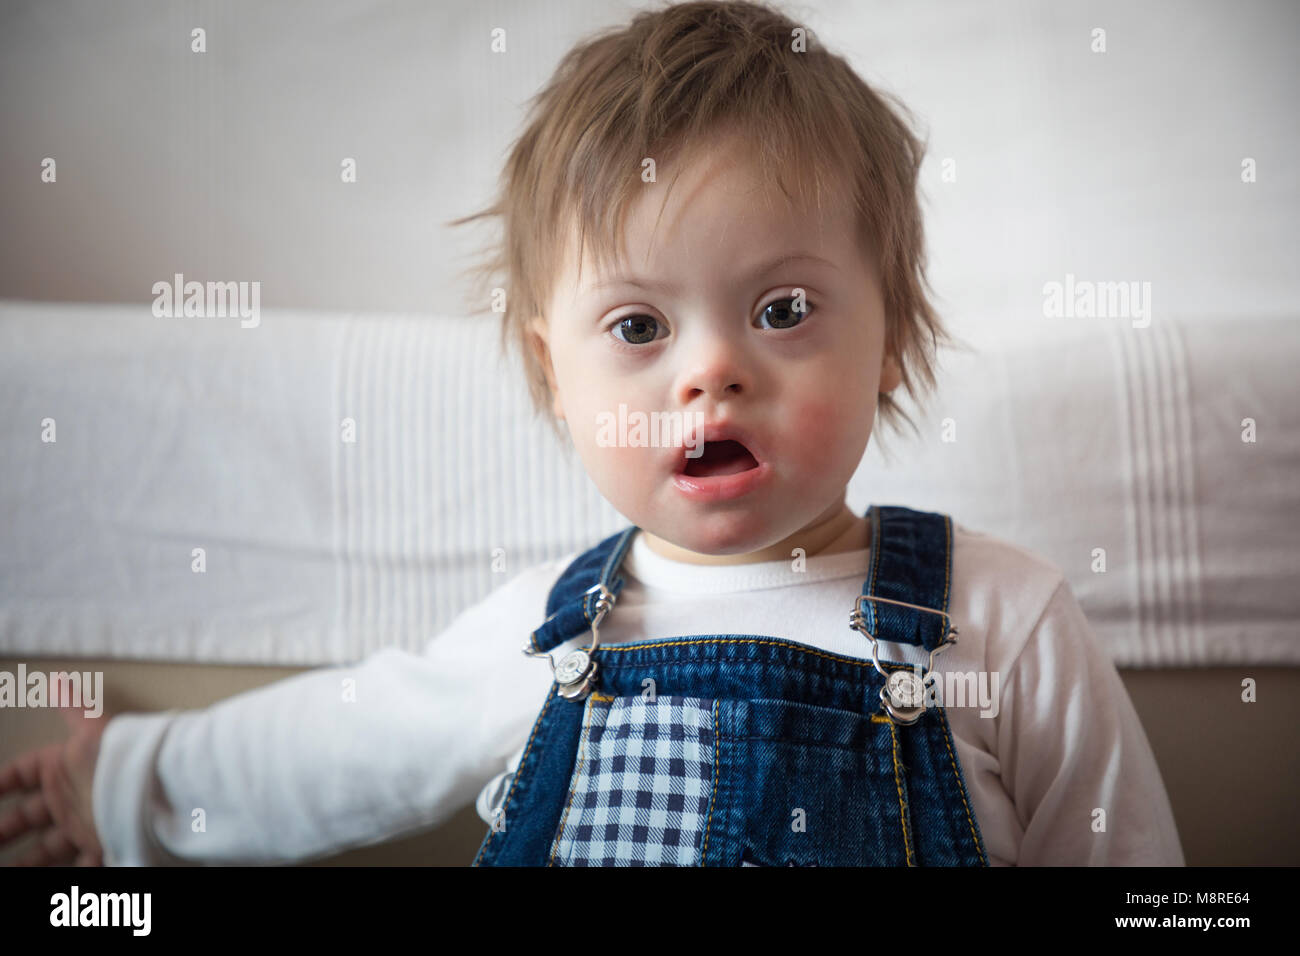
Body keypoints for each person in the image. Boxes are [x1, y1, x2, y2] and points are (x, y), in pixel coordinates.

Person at [0, 0, 1183, 866]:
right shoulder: (550, 628)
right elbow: (337, 745)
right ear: (551, 375)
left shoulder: (1003, 618)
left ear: (887, 341)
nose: (711, 368)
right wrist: (129, 787)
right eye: (636, 323)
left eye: (781, 311)